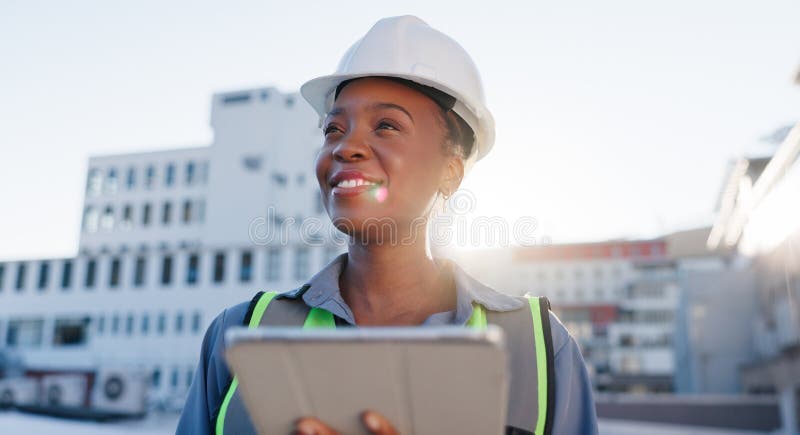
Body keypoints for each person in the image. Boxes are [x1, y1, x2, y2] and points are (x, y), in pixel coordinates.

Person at [176, 15, 598, 435]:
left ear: (450, 171)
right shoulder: (239, 333)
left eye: (387, 125)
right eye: (333, 129)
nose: (347, 147)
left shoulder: (540, 348)